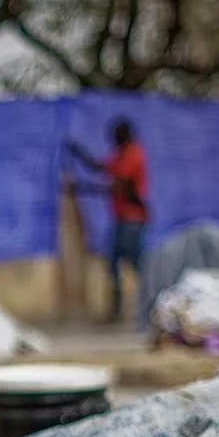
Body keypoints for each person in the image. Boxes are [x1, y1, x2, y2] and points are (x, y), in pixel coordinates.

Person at [71, 119, 150, 326]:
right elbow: (99, 167)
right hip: (121, 219)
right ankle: (116, 311)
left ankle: (151, 305)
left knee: (136, 264)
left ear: (124, 135)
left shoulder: (133, 154)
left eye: (115, 134)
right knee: (112, 262)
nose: (112, 138)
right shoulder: (120, 155)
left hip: (133, 218)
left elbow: (119, 186)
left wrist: (81, 188)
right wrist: (78, 153)